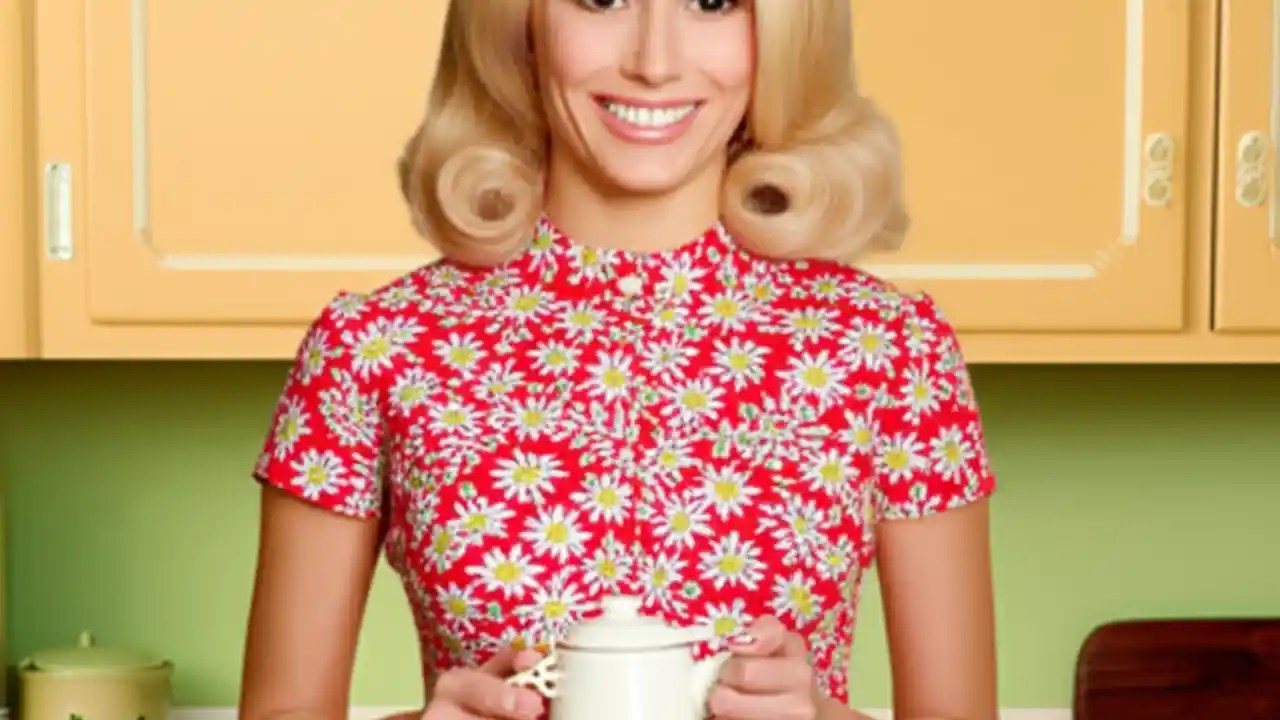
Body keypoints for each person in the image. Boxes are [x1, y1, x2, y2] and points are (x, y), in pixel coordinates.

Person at [238, 1, 999, 719]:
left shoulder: (890, 347)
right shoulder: (375, 346)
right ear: (521, 20)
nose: (654, 62)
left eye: (710, 0)